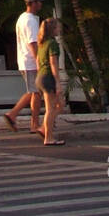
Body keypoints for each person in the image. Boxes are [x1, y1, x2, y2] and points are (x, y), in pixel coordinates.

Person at [3, 0, 44, 133]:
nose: (41, 4)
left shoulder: (22, 18)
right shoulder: (30, 20)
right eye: (38, 2)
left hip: (24, 60)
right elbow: (33, 43)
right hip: (30, 61)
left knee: (34, 92)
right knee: (35, 92)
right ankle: (15, 115)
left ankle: (31, 122)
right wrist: (39, 61)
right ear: (32, 4)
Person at [35, 17, 64, 145]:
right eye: (58, 27)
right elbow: (53, 63)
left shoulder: (42, 43)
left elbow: (37, 61)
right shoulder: (52, 43)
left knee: (60, 104)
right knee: (51, 109)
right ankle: (48, 137)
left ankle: (44, 129)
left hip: (41, 76)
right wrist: (57, 82)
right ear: (53, 29)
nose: (59, 29)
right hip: (48, 77)